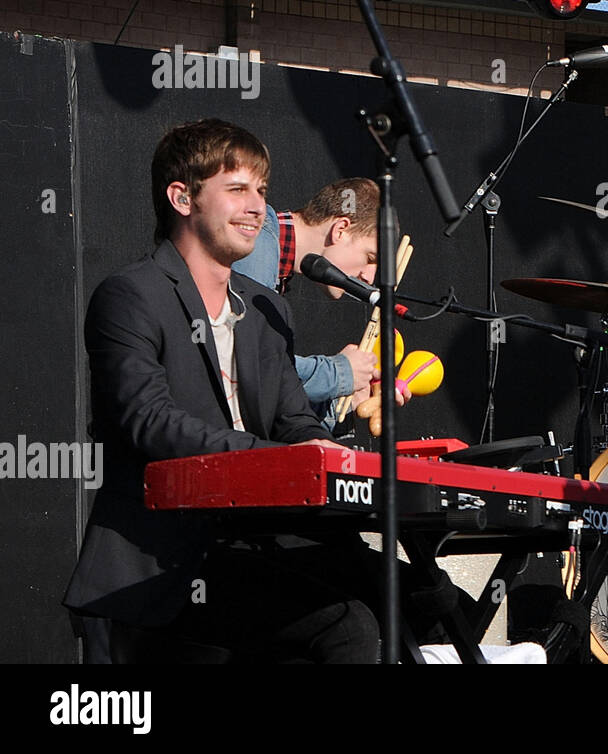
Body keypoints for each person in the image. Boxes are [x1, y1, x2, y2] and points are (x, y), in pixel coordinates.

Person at [64, 119, 381, 662]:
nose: (257, 206)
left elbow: (292, 420)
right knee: (349, 626)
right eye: (237, 189)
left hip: (257, 543)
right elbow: (152, 423)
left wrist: (328, 454)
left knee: (420, 594)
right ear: (182, 197)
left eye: (261, 190)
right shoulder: (130, 295)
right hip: (160, 563)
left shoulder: (265, 308)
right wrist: (283, 460)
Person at [233, 177, 381, 423]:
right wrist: (340, 373)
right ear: (340, 229)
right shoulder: (257, 248)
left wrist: (345, 400)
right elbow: (254, 367)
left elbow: (268, 398)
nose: (368, 276)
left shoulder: (272, 259)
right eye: (370, 257)